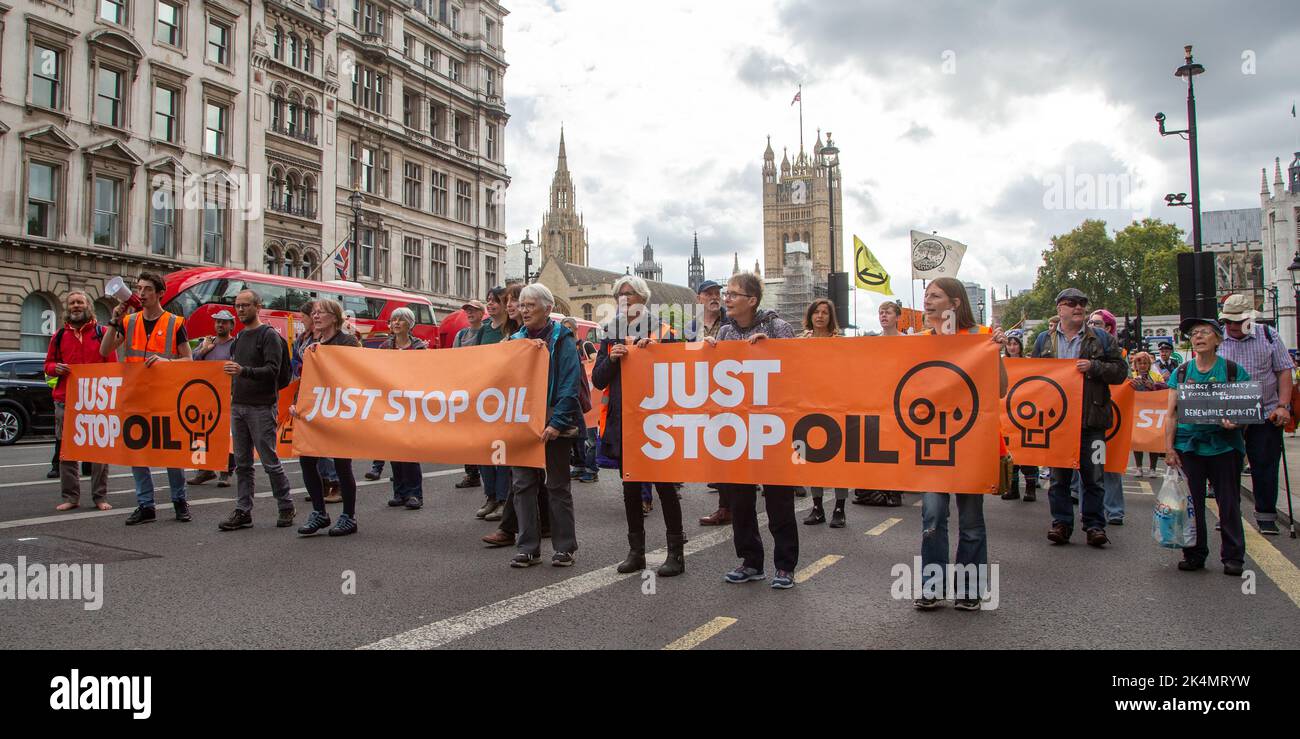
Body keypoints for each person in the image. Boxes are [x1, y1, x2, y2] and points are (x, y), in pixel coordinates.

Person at [912, 277, 1007, 611]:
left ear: (954, 303)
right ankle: (932, 586)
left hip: (970, 444)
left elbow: (1000, 390)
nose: (927, 299)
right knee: (932, 517)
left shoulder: (980, 337)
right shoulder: (919, 341)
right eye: (926, 294)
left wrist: (996, 352)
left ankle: (969, 590)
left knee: (970, 520)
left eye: (935, 295)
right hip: (932, 444)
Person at [703, 272, 800, 589]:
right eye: (726, 293)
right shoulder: (727, 332)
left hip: (773, 429)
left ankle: (784, 566)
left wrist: (772, 349)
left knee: (778, 501)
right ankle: (750, 561)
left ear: (752, 300)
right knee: (741, 501)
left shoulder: (777, 327)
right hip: (739, 431)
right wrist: (707, 352)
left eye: (733, 294)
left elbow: (797, 370)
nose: (726, 298)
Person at [593, 275, 686, 577]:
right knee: (630, 488)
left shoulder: (666, 330)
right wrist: (611, 358)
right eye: (619, 294)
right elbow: (598, 379)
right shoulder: (611, 331)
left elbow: (681, 375)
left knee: (665, 487)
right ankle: (637, 553)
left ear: (643, 299)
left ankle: (676, 553)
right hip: (625, 421)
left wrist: (654, 352)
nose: (623, 299)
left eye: (629, 294)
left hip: (657, 421)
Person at [1029, 288, 1128, 547]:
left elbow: (1120, 372)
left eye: (1083, 303)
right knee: (1058, 478)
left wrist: (1094, 367)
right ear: (1059, 308)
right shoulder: (1044, 340)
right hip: (1057, 423)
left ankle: (1095, 526)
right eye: (1072, 303)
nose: (1078, 307)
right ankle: (1061, 524)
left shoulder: (1102, 339)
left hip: (1093, 422)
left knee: (1094, 477)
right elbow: (1034, 377)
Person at [100, 272, 193, 526]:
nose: (141, 293)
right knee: (137, 454)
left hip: (165, 397)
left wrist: (168, 361)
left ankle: (179, 501)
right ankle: (145, 505)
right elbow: (105, 350)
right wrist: (113, 321)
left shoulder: (175, 323)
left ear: (160, 293)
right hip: (136, 396)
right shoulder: (129, 321)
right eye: (139, 288)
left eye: (147, 289)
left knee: (171, 454)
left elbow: (189, 361)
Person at [507, 283, 583, 568]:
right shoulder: (515, 339)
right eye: (522, 305)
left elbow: (569, 384)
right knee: (523, 484)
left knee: (557, 486)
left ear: (548, 309)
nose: (523, 310)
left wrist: (558, 422)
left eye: (529, 305)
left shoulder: (563, 340)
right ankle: (527, 547)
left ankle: (565, 547)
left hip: (553, 420)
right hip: (523, 420)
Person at [1166, 317, 1249, 575]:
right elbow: (1171, 414)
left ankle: (1233, 557)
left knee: (1229, 502)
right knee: (1192, 504)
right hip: (1189, 447)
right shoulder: (1180, 373)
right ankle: (1194, 553)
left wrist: (1235, 423)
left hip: (1224, 447)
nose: (1198, 337)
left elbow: (1246, 410)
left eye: (1204, 332)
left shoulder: (1233, 371)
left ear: (1218, 339)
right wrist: (1168, 448)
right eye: (1194, 334)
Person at [216, 291, 296, 531]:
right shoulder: (240, 336)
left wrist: (243, 371)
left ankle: (285, 505)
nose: (240, 310)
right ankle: (243, 510)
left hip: (261, 406)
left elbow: (273, 370)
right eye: (237, 306)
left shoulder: (269, 335)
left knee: (270, 460)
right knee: (242, 463)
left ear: (258, 306)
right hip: (239, 404)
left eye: (245, 305)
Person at [1216, 294, 1293, 536]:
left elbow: (1283, 371)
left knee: (1265, 465)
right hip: (1228, 415)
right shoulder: (1217, 338)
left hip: (1265, 413)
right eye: (1228, 321)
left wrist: (1283, 406)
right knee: (1226, 468)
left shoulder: (1269, 336)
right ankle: (1228, 515)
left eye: (1237, 321)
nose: (1232, 326)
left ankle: (1266, 516)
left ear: (1250, 318)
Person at [291, 299, 363, 537]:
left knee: (342, 464)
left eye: (322, 312)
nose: (317, 316)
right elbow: (305, 379)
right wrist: (296, 403)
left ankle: (348, 516)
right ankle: (319, 512)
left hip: (341, 411)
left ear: (335, 317)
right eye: (314, 312)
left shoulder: (348, 342)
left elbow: (359, 374)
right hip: (316, 411)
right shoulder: (312, 345)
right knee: (307, 461)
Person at [44, 290, 113, 512]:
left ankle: (99, 496)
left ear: (88, 306)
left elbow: (112, 367)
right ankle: (71, 497)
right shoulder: (59, 336)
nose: (76, 306)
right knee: (67, 452)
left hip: (97, 402)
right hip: (66, 401)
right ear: (68, 307)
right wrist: (57, 368)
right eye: (72, 303)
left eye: (80, 302)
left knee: (99, 452)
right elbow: (48, 365)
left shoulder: (102, 333)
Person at [689, 280, 737, 525]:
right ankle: (727, 506)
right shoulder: (689, 327)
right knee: (717, 454)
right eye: (709, 293)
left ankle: (729, 507)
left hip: (730, 395)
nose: (714, 297)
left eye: (718, 293)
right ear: (699, 298)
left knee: (729, 451)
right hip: (701, 395)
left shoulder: (732, 323)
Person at [800, 298, 850, 528]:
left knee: (837, 461)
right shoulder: (800, 342)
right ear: (810, 316)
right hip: (809, 407)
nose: (820, 316)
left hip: (835, 407)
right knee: (814, 460)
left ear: (831, 318)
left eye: (825, 313)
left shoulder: (840, 342)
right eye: (816, 313)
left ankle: (839, 507)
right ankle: (817, 506)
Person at [475, 286, 518, 523]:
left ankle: (503, 499)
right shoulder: (483, 331)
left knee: (500, 452)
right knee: (484, 450)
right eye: (488, 300)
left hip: (505, 397)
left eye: (495, 301)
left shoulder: (512, 330)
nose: (490, 305)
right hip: (485, 397)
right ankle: (490, 496)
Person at [380, 307, 429, 509]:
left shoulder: (419, 348)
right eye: (393, 320)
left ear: (410, 324)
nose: (396, 323)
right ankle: (399, 493)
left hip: (411, 404)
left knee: (409, 451)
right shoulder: (385, 347)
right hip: (390, 405)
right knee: (394, 450)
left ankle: (414, 494)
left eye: (401, 320)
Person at [188, 309, 237, 488]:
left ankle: (226, 471)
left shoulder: (235, 344)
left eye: (224, 322)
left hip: (227, 395)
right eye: (217, 321)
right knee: (200, 431)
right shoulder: (206, 342)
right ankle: (204, 469)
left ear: (231, 325)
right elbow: (191, 361)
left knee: (226, 434)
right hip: (205, 395)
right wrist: (204, 350)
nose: (220, 325)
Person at [1088, 308, 1128, 526]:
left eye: (1098, 323)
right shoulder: (1083, 345)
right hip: (1089, 415)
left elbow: (1123, 376)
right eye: (1091, 323)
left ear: (1109, 328)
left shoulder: (1119, 353)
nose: (1093, 327)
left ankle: (1114, 510)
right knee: (1090, 467)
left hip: (1109, 417)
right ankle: (1091, 512)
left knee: (1110, 467)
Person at [1000, 329, 1039, 502]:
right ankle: (1012, 488)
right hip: (1007, 412)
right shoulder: (1001, 363)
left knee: (1028, 452)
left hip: (1026, 411)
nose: (1013, 347)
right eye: (1010, 344)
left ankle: (1030, 489)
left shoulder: (1029, 363)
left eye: (1016, 344)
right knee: (1012, 451)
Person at [452, 299, 487, 490]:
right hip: (465, 388)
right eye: (467, 310)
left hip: (482, 388)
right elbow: (454, 358)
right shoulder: (461, 334)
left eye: (473, 310)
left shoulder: (485, 332)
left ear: (482, 313)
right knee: (466, 433)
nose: (469, 313)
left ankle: (484, 469)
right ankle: (471, 473)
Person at [563, 317, 600, 484]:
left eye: (570, 327)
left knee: (589, 435)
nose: (568, 331)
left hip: (587, 394)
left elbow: (596, 361)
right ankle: (579, 466)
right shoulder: (563, 348)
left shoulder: (585, 345)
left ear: (576, 329)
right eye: (564, 328)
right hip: (573, 396)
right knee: (576, 435)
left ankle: (592, 469)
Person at [1127, 351, 1167, 477]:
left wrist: (1154, 385)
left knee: (1152, 440)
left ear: (1149, 364)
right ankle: (1139, 467)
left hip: (1152, 412)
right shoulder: (1131, 376)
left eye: (1145, 363)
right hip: (1136, 412)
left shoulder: (1156, 376)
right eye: (1140, 363)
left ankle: (1153, 468)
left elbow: (1166, 387)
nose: (1143, 366)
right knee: (1137, 440)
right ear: (1135, 365)